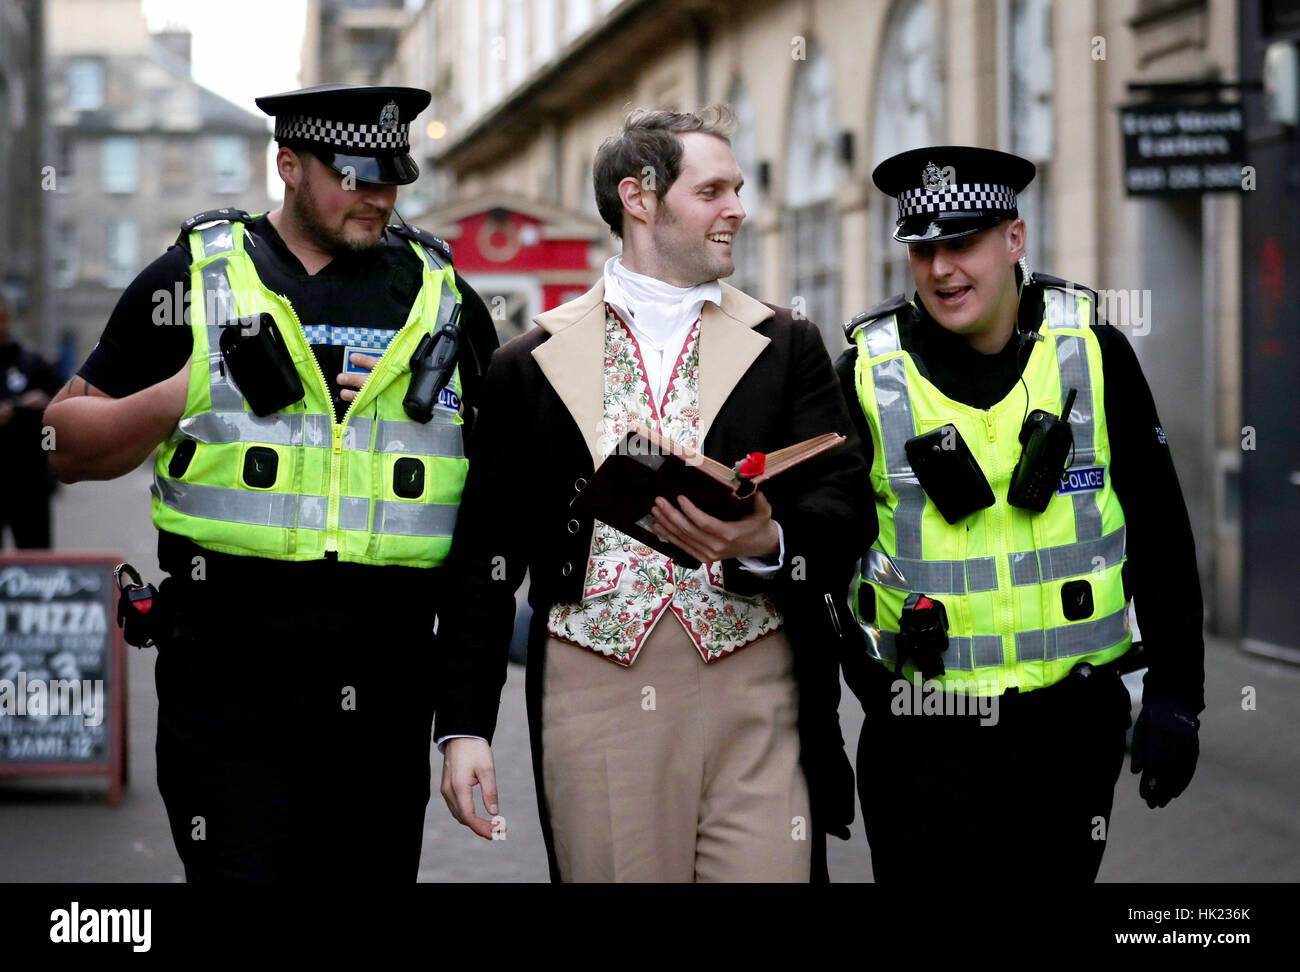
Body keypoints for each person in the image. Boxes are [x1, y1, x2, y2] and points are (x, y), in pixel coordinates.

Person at [42, 83, 499, 882]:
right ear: (287, 164)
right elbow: (62, 441)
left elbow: (486, 515)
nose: (378, 197)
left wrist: (462, 720)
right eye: (354, 176)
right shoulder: (197, 277)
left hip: (383, 687)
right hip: (226, 681)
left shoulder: (440, 296)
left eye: (391, 177)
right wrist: (192, 388)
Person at [435, 107, 873, 882]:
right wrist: (464, 726)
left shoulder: (788, 344)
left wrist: (767, 542)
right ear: (639, 199)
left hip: (758, 686)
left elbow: (847, 506)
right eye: (712, 191)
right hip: (594, 689)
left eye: (737, 188)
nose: (737, 207)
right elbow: (485, 556)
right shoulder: (526, 364)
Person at [837, 145, 1205, 882]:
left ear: (1014, 238)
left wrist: (1176, 696)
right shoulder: (864, 373)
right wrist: (869, 693)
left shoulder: (1097, 354)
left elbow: (1161, 534)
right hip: (921, 734)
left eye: (963, 243)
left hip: (1067, 733)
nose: (941, 269)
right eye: (923, 248)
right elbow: (831, 550)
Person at [0, 293, 61, 548]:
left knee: (36, 560)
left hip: (30, 481)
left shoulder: (31, 363)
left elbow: (60, 417)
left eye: (2, 319)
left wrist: (53, 469)